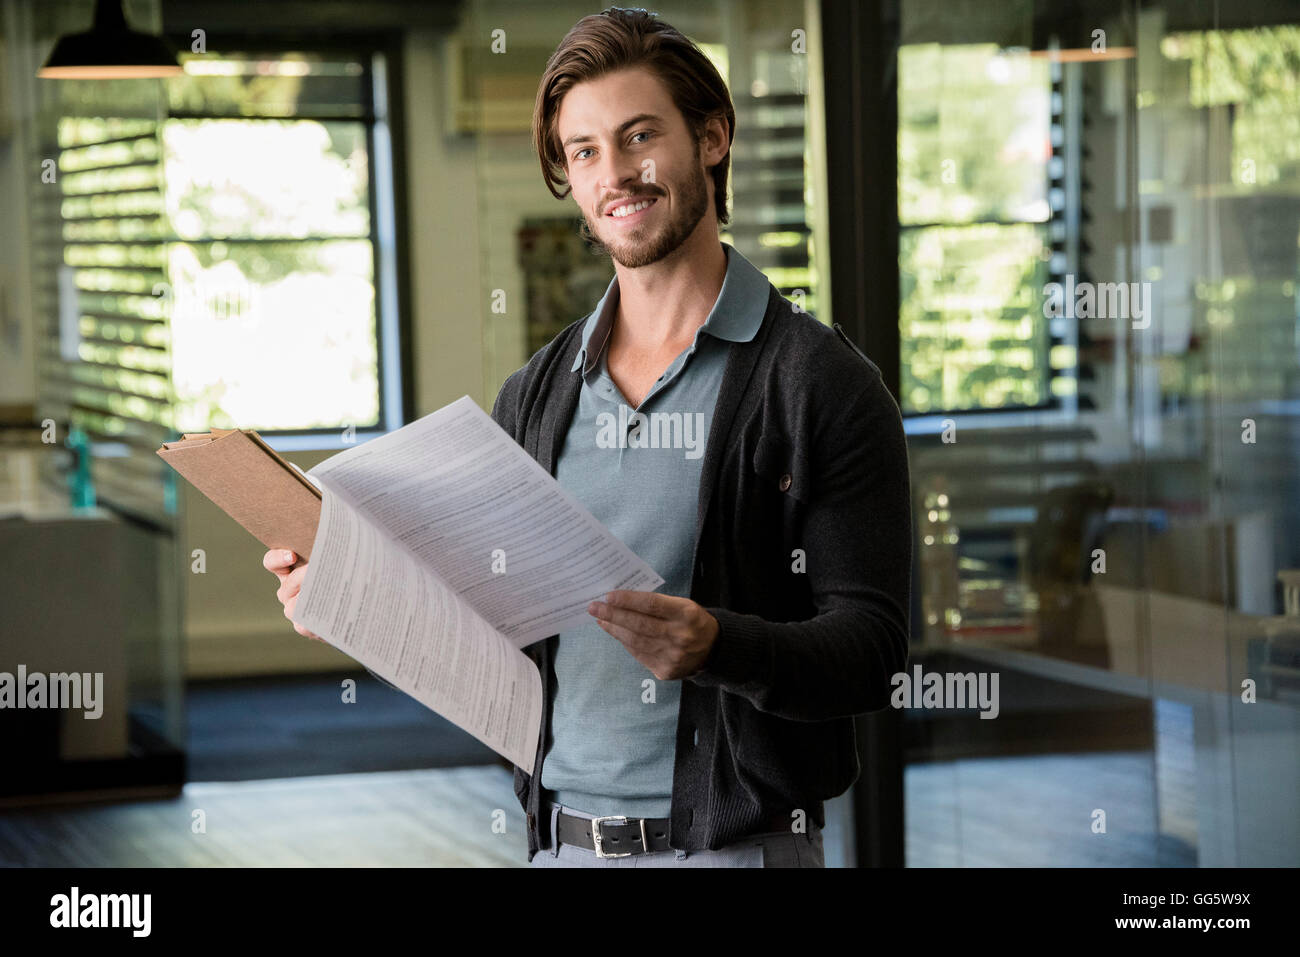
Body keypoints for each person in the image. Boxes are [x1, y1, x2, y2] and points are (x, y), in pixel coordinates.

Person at [265, 6, 911, 867]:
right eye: (585, 151)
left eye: (640, 136)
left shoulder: (816, 382)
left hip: (733, 852)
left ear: (711, 137)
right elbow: (485, 620)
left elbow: (872, 649)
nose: (616, 174)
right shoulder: (537, 393)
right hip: (560, 847)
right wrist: (354, 592)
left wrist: (721, 644)